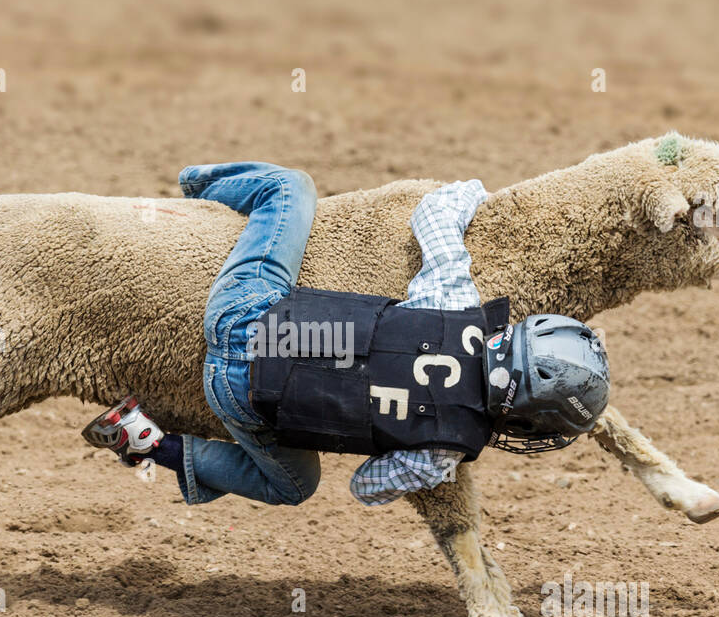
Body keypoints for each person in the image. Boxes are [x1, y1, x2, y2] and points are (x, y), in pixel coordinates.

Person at [84, 162, 610, 507]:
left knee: (291, 188)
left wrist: (477, 192)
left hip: (243, 311)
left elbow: (436, 212)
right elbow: (365, 488)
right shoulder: (442, 453)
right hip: (237, 397)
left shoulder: (453, 305)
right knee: (293, 487)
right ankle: (149, 441)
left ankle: (198, 193)